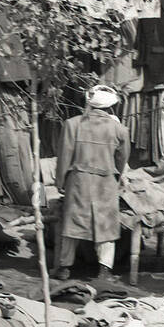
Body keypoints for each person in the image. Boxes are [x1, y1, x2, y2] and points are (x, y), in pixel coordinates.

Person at [53, 85, 129, 286]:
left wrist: (60, 181)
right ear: (111, 106)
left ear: (89, 102)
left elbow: (64, 157)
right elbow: (121, 160)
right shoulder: (119, 129)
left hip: (78, 181)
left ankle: (63, 267)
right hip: (105, 183)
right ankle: (105, 270)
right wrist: (117, 178)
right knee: (106, 227)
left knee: (72, 224)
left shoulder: (72, 124)